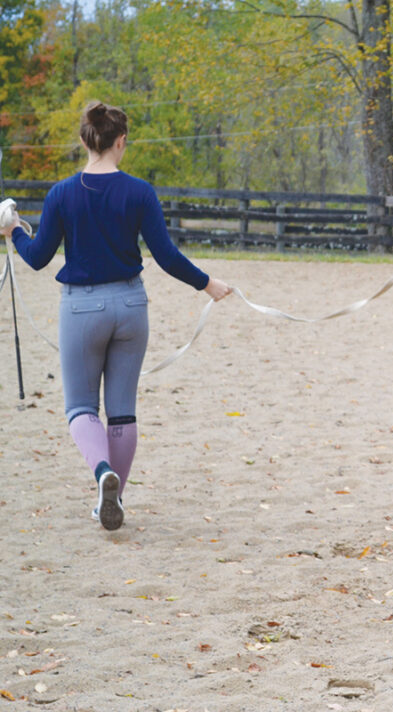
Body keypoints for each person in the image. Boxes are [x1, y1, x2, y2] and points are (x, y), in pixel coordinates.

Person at [0, 101, 232, 531]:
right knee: (122, 412)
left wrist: (13, 231)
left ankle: (102, 472)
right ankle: (116, 496)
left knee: (81, 408)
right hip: (130, 306)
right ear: (120, 141)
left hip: (81, 307)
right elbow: (165, 255)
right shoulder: (140, 192)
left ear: (85, 141)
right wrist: (208, 284)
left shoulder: (61, 194)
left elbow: (36, 259)